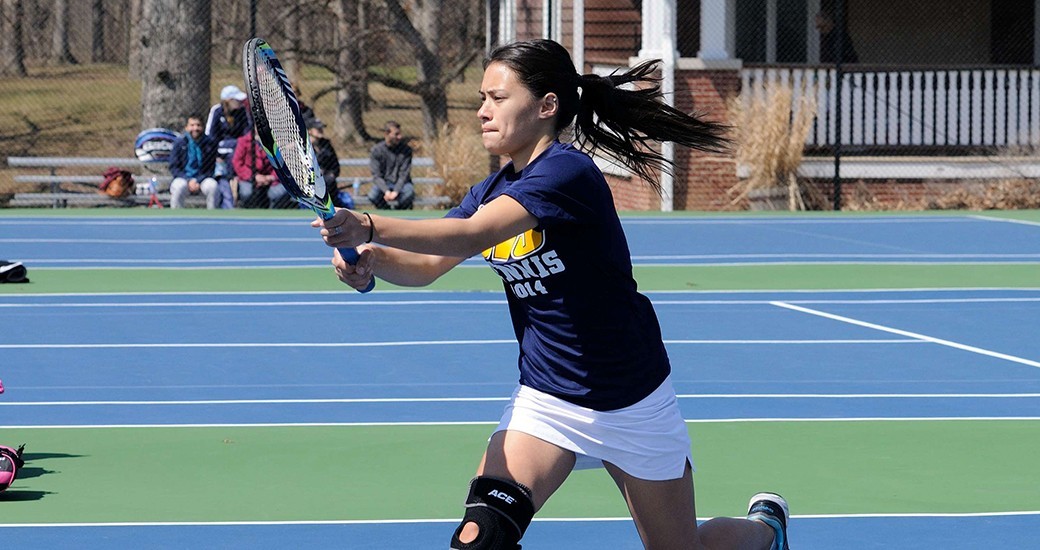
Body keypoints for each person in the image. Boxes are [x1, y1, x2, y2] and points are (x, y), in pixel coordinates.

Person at [314, 39, 790, 550]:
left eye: (497, 98)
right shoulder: (489, 191)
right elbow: (429, 264)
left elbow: (469, 236)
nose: (482, 111)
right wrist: (371, 263)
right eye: (481, 98)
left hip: (631, 398)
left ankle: (765, 532)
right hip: (547, 398)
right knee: (481, 539)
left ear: (547, 106)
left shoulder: (568, 173)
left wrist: (367, 224)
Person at [206, 85, 254, 209]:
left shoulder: (242, 111)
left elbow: (247, 134)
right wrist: (217, 154)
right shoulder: (216, 111)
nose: (239, 102)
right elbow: (210, 136)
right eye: (236, 99)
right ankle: (226, 203)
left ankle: (235, 197)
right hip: (220, 155)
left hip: (238, 152)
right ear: (227, 100)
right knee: (222, 176)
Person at [168, 115, 219, 209]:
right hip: (183, 178)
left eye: (198, 125)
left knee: (213, 186)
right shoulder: (179, 143)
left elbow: (211, 169)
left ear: (203, 127)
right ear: (186, 127)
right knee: (178, 187)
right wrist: (188, 180)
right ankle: (176, 217)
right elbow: (174, 167)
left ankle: (212, 217)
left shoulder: (210, 144)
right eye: (192, 125)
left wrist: (198, 180)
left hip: (202, 180)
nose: (195, 128)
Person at [232, 129, 290, 209]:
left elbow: (280, 163)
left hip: (270, 180)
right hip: (248, 179)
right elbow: (237, 163)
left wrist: (271, 177)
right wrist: (254, 177)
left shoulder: (276, 142)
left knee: (280, 191)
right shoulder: (243, 141)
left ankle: (272, 214)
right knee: (246, 192)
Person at [367, 120, 414, 210]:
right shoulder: (376, 150)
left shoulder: (406, 150)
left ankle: (399, 212)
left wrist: (395, 191)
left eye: (400, 134)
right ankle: (385, 211)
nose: (400, 137)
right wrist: (387, 192)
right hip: (384, 184)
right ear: (386, 134)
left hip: (402, 185)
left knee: (409, 193)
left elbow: (404, 175)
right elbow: (376, 176)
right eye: (396, 134)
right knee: (373, 195)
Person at [308, 118, 352, 208]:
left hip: (326, 180)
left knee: (330, 182)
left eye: (321, 128)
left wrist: (332, 174)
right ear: (309, 131)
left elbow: (335, 164)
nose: (321, 130)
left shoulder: (326, 144)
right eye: (318, 129)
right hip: (310, 180)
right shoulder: (304, 146)